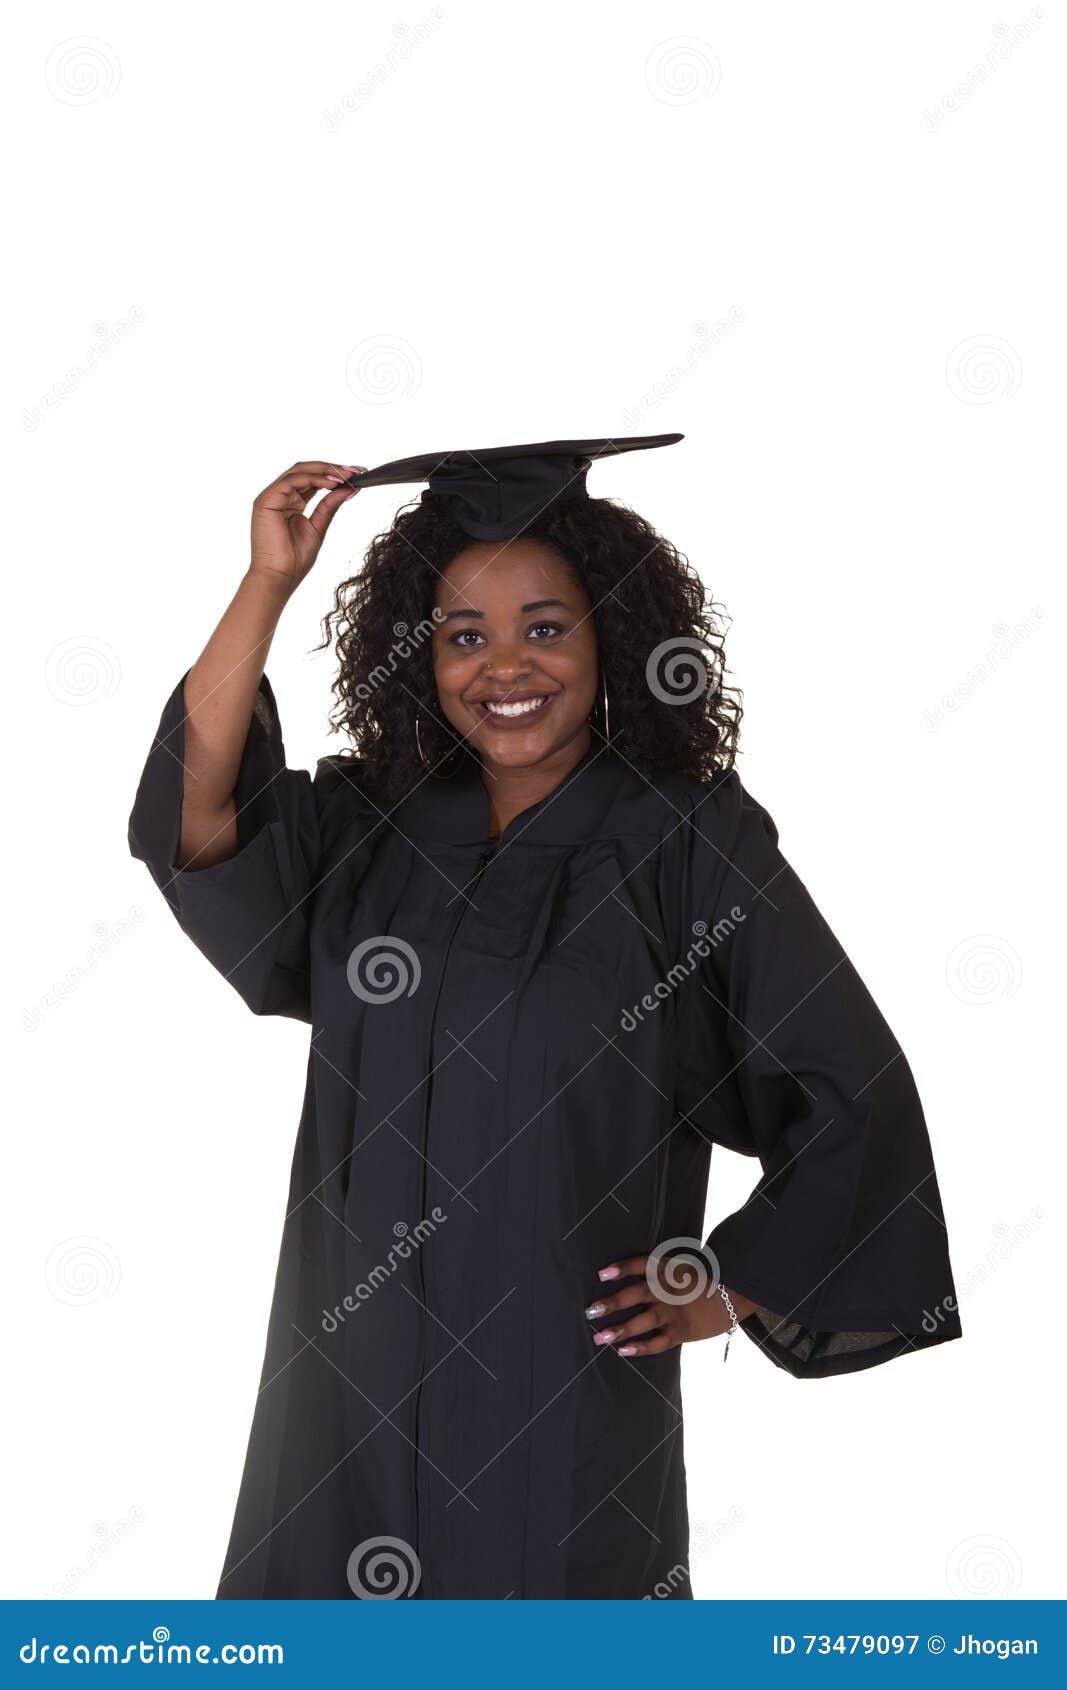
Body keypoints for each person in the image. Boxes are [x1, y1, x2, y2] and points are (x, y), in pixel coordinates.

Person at [128, 440, 962, 1601]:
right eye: (464, 636)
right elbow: (197, 812)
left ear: (608, 636)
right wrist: (269, 583)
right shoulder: (374, 827)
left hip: (556, 1394)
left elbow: (848, 1080)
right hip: (342, 1402)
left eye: (544, 626)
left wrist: (734, 1280)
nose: (503, 667)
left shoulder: (685, 842)